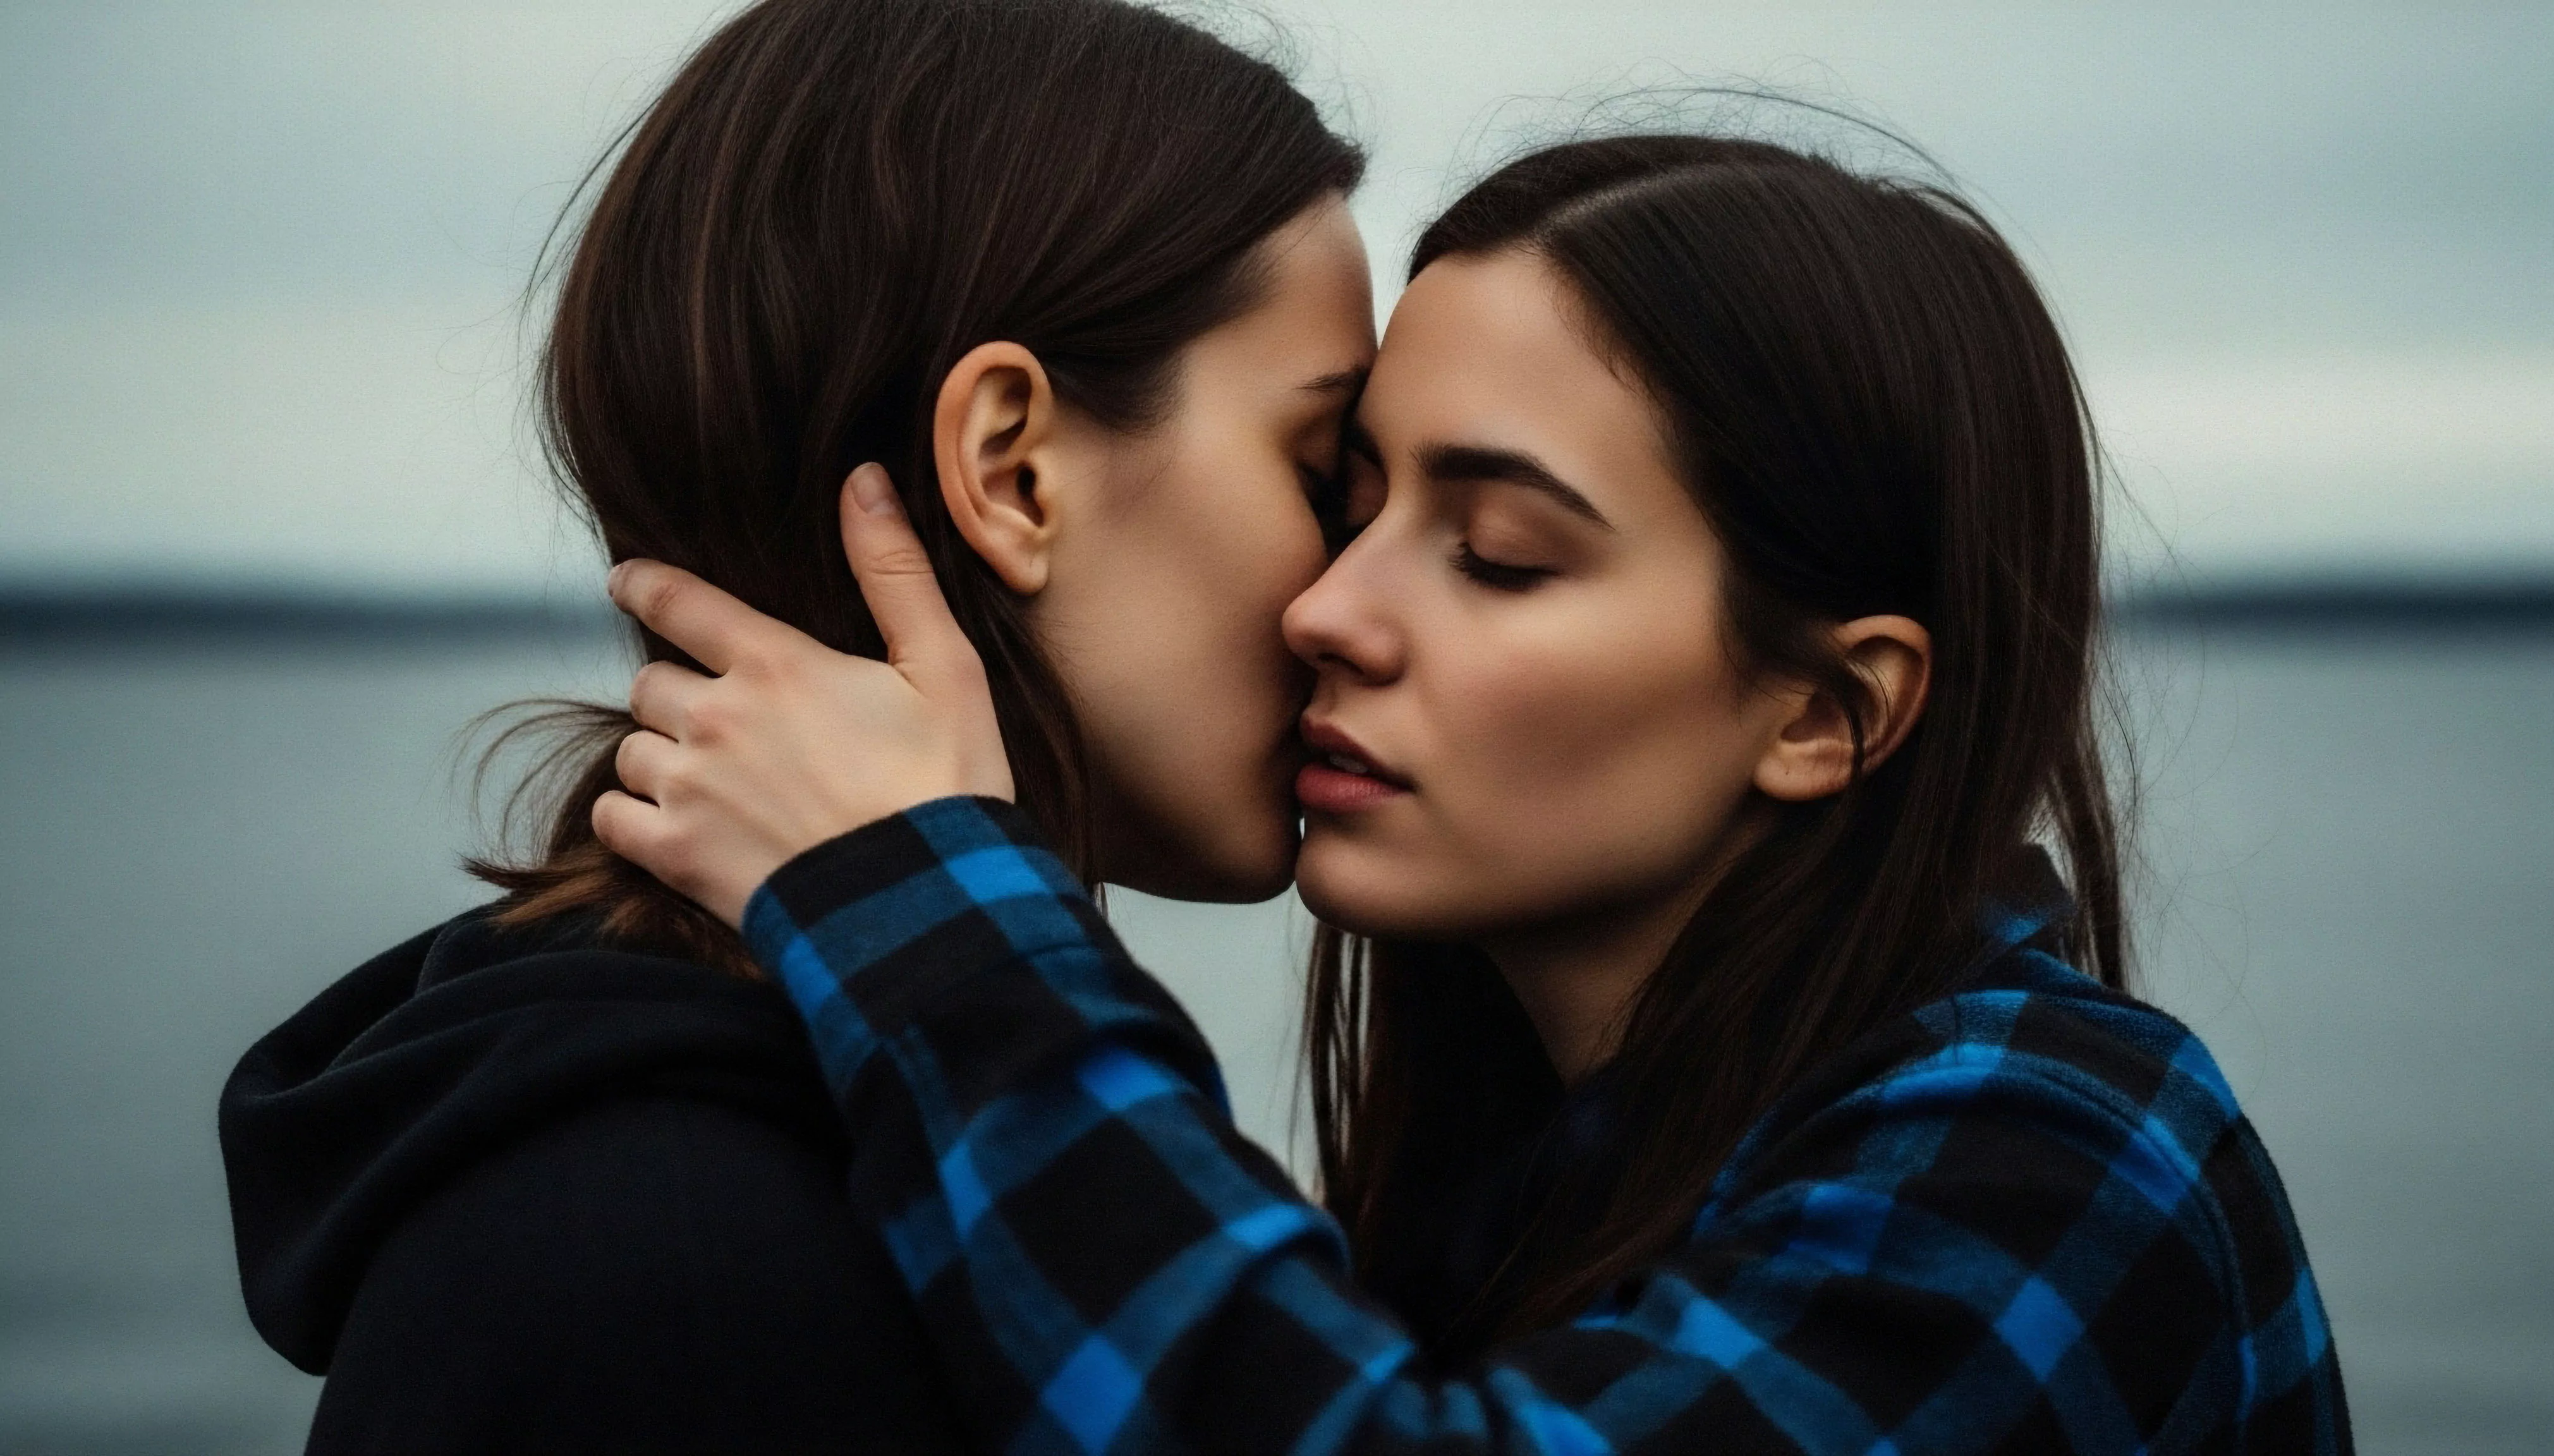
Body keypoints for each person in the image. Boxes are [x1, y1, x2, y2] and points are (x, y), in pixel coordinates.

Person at [595, 135, 2354, 1452]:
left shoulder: (2060, 1156)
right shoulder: (1525, 1155)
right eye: (1345, 497)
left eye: (1500, 554)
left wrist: (923, 908)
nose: (1328, 607)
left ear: (1827, 711)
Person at [217, 0, 1372, 1448]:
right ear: (1011, 471)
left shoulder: (797, 1173)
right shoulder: (688, 1266)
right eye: (1325, 471)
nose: (1359, 594)